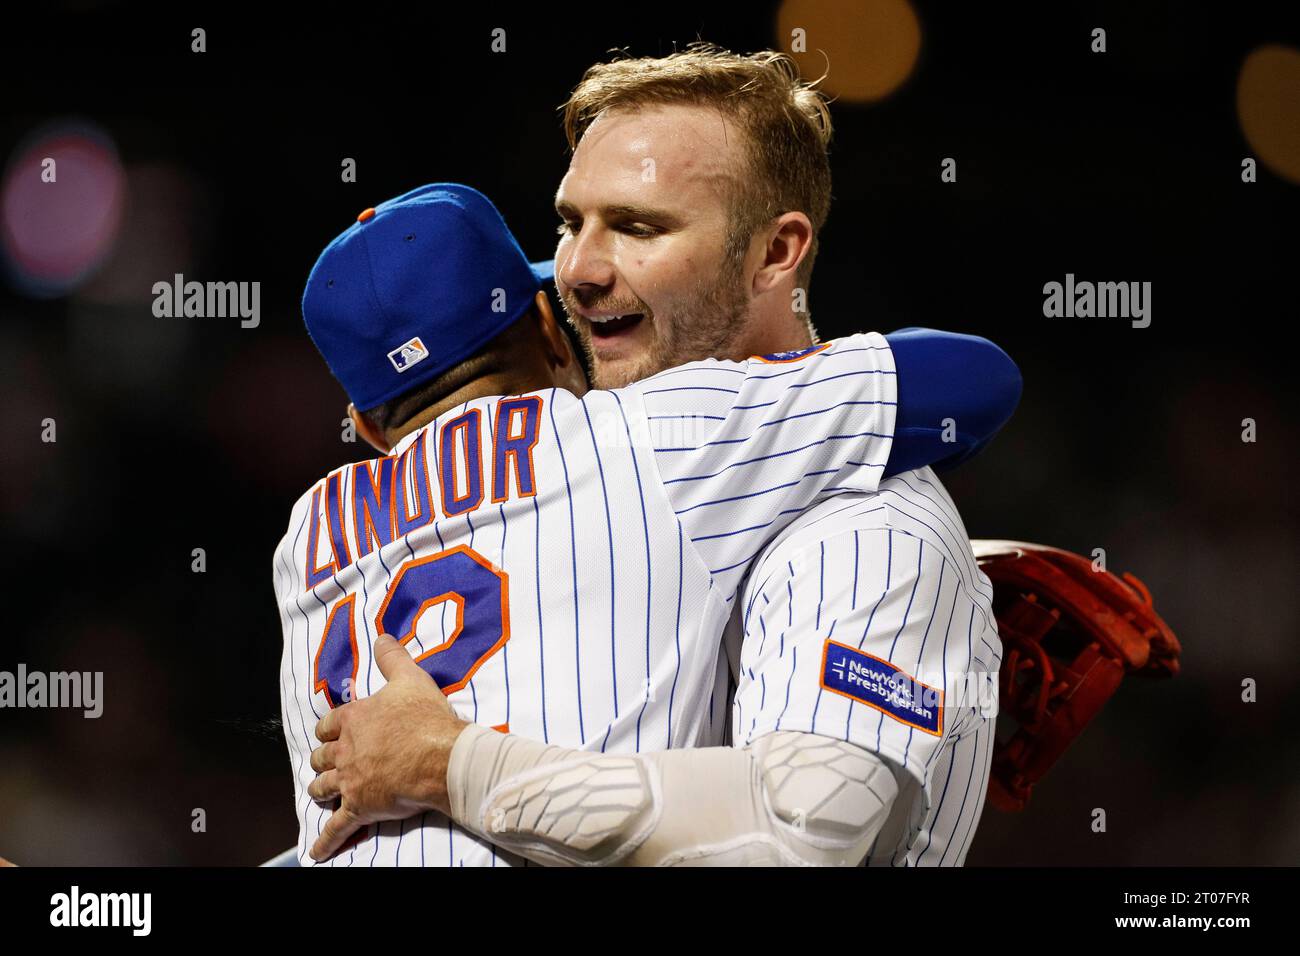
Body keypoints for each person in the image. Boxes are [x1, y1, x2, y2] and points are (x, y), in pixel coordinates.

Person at [287, 173, 1019, 866]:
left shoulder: (300, 549)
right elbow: (975, 381)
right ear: (547, 326)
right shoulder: (642, 432)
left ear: (368, 426)